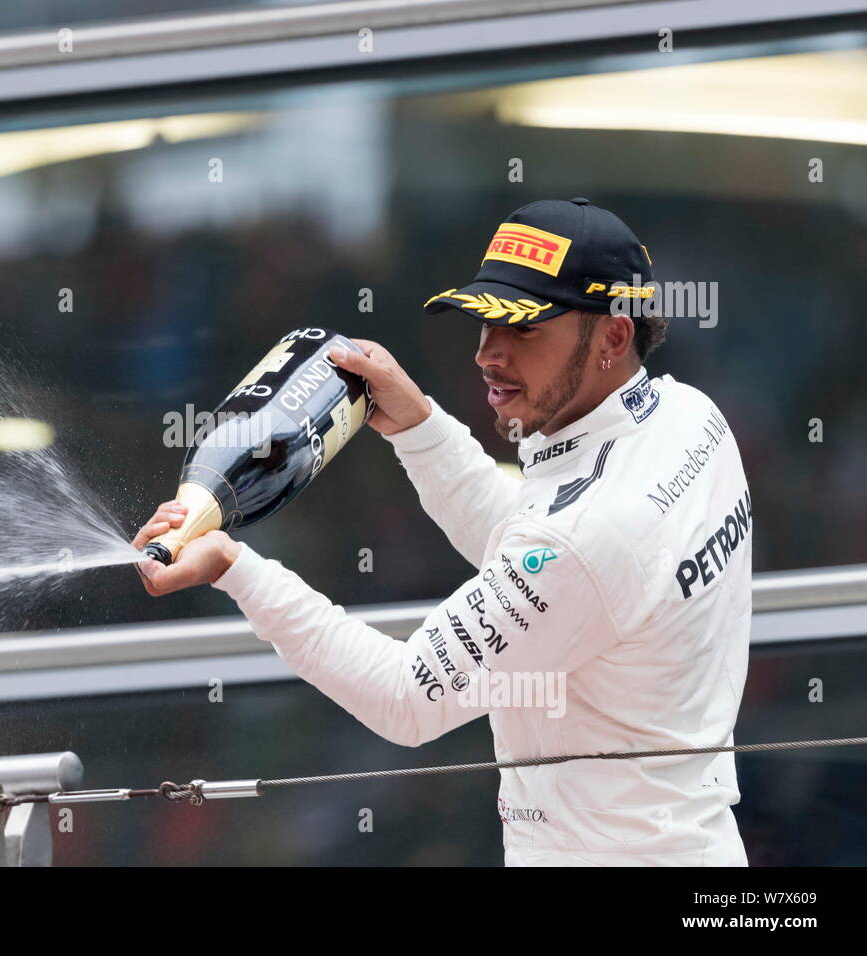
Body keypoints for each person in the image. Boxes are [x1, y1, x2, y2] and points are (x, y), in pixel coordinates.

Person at [134, 199, 752, 866]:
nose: (488, 354)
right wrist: (418, 425)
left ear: (613, 338)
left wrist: (235, 568)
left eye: (524, 330)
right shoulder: (691, 419)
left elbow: (406, 699)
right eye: (484, 322)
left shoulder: (591, 533)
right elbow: (541, 550)